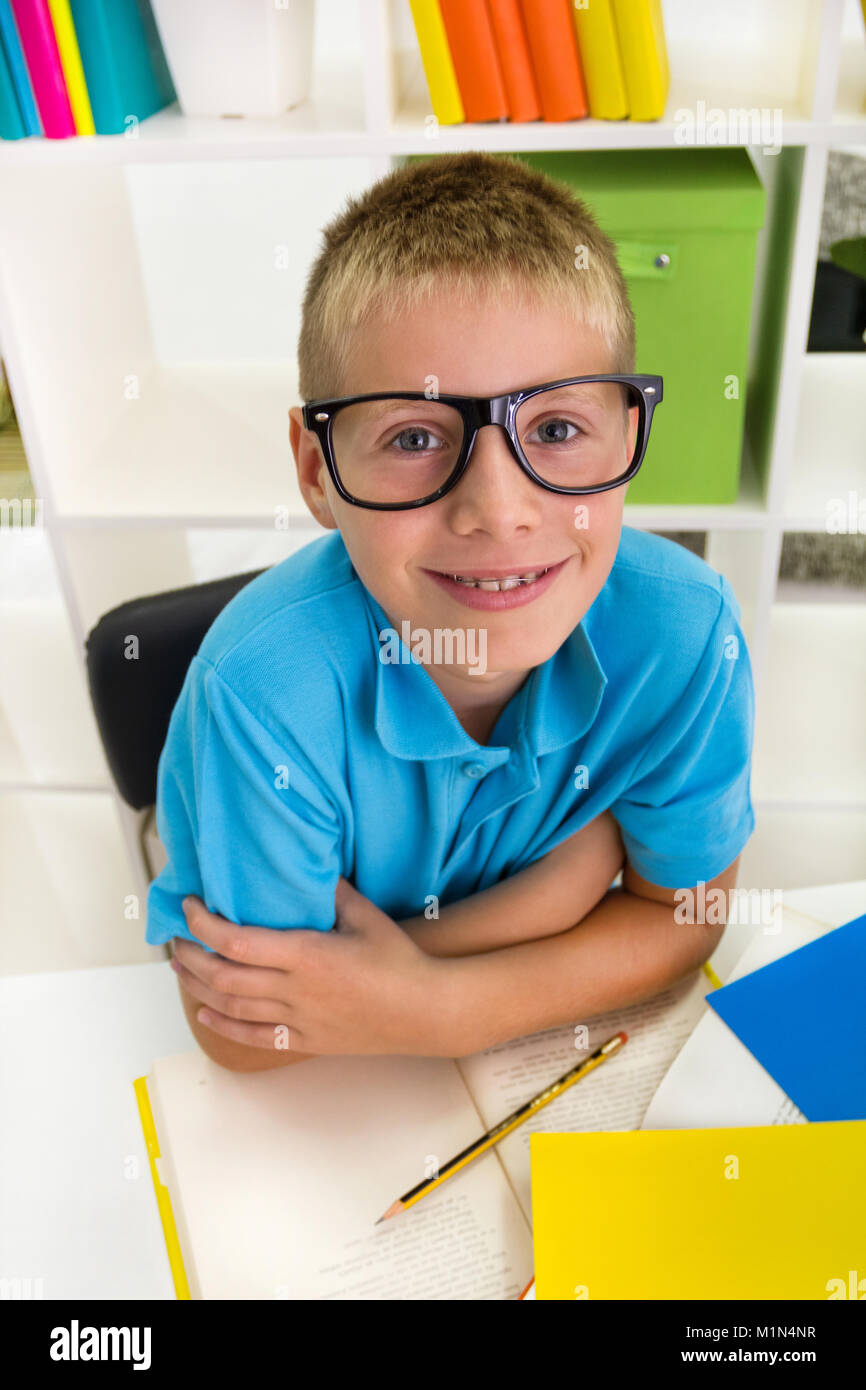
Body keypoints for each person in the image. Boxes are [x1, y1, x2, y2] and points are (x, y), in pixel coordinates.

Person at [146, 152, 754, 1071]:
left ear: (628, 436)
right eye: (417, 437)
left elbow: (690, 916)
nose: (498, 511)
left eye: (555, 428)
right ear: (317, 473)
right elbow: (249, 1032)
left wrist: (444, 1009)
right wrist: (572, 884)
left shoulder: (687, 633)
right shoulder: (263, 694)